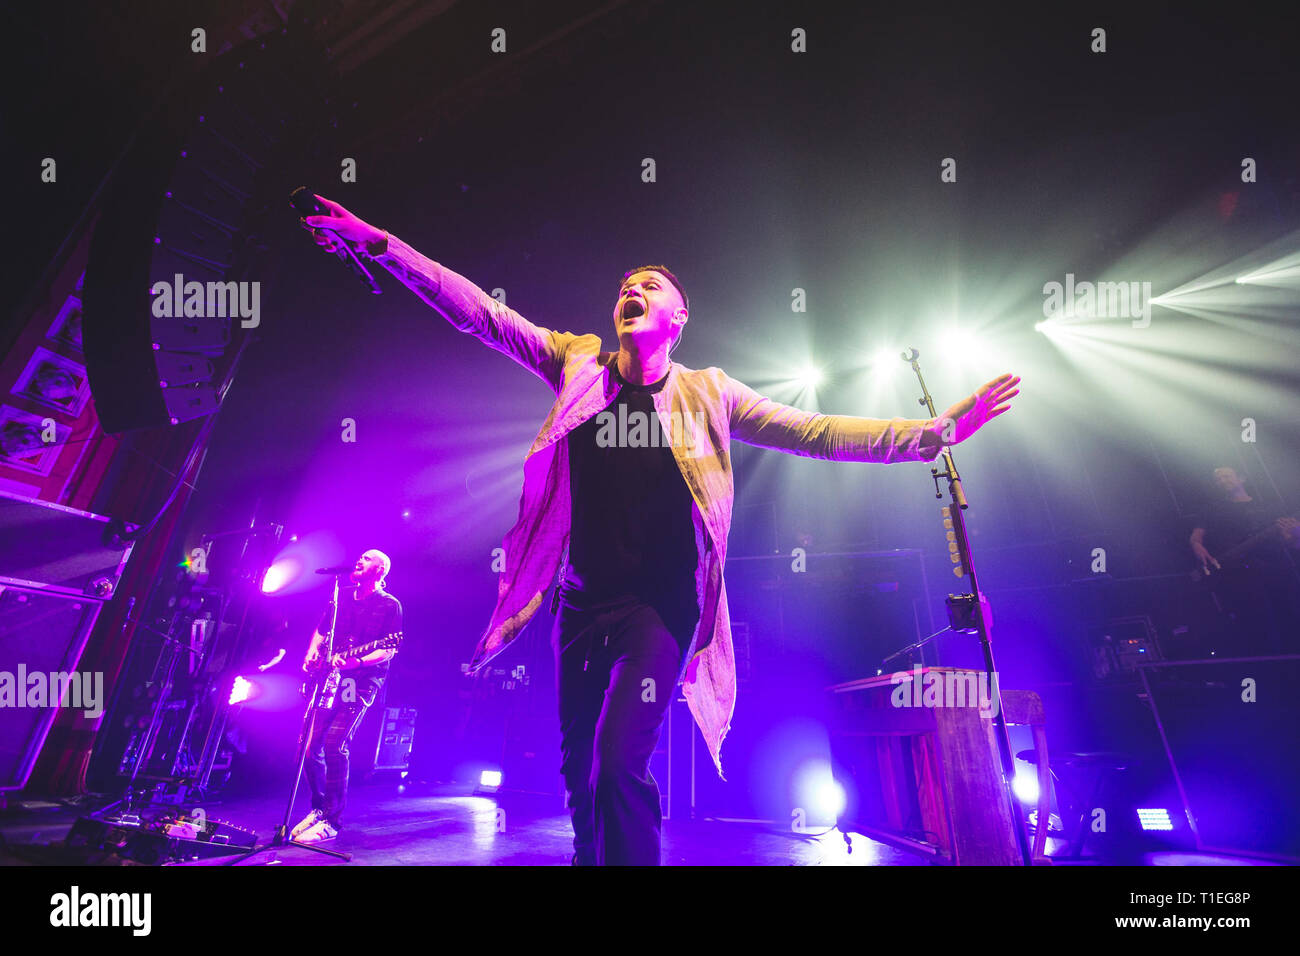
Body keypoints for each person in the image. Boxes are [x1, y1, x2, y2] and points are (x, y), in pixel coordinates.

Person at [300, 197, 1019, 864]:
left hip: (661, 607)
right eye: (624, 285)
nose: (630, 290)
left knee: (618, 761)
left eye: (648, 284)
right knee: (580, 775)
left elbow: (818, 431)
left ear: (679, 316)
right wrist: (380, 244)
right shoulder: (577, 362)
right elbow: (484, 316)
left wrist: (933, 432)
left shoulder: (708, 391)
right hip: (580, 607)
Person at [294, 549, 402, 844]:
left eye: (368, 558)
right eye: (360, 556)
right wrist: (310, 653)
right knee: (309, 746)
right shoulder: (341, 596)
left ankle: (332, 820)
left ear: (381, 571)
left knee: (335, 744)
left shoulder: (390, 605)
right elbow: (321, 629)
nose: (360, 560)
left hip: (361, 681)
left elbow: (389, 649)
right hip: (329, 679)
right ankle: (318, 808)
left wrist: (358, 662)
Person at [1189, 466, 1300, 654]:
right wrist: (1197, 546)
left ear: (1241, 478)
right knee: (1260, 622)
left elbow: (1290, 543)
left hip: (1277, 568)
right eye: (1218, 479)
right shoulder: (1212, 510)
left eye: (1226, 476)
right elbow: (1196, 537)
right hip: (1242, 574)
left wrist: (1295, 532)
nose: (1222, 481)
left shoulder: (1267, 507)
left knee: (1291, 614)